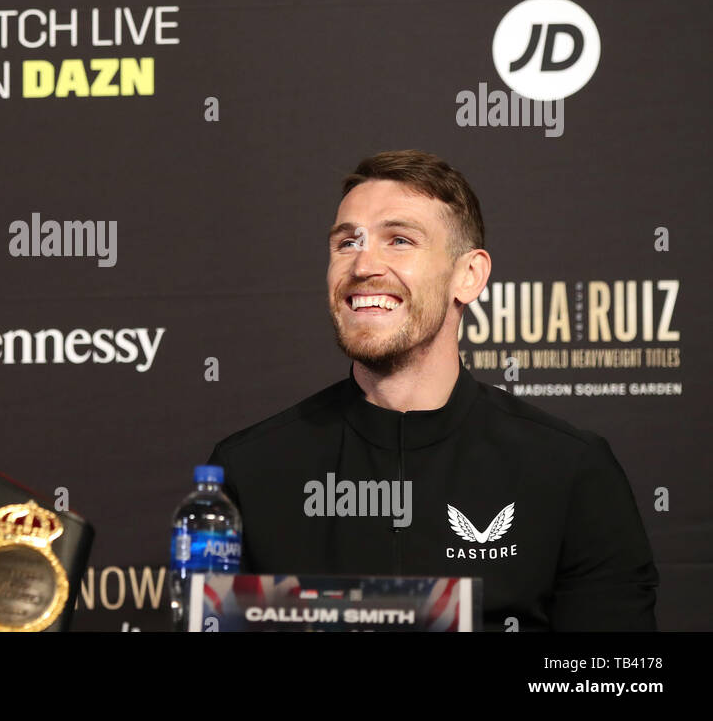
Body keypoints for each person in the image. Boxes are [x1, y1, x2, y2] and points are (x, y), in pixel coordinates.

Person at [208, 149, 658, 631]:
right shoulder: (249, 469)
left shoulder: (570, 468)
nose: (363, 266)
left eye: (399, 240)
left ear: (469, 276)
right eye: (346, 243)